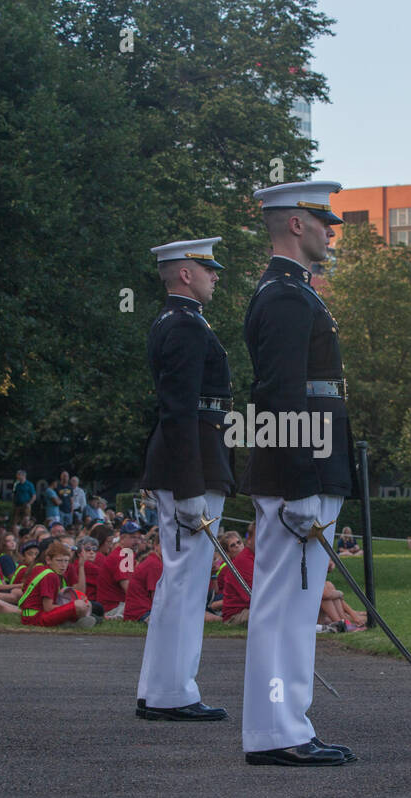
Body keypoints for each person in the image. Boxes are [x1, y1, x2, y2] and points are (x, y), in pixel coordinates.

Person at [240, 181, 358, 766]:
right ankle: (276, 731)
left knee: (295, 603)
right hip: (300, 465)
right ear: (295, 225)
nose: (330, 231)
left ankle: (287, 726)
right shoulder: (286, 296)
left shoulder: (293, 292)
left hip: (306, 460)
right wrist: (300, 482)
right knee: (287, 602)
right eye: (322, 220)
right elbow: (279, 395)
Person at [132, 236, 236, 720]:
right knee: (186, 582)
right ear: (186, 274)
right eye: (209, 268)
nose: (217, 275)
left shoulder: (179, 322)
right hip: (189, 462)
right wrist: (192, 486)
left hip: (190, 456)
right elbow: (179, 411)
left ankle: (159, 688)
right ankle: (172, 692)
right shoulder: (186, 327)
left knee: (180, 581)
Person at [17, 541, 93, 627]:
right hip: (36, 618)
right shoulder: (51, 576)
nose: (63, 565)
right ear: (48, 560)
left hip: (28, 616)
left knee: (85, 604)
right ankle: (73, 622)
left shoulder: (40, 568)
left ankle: (71, 621)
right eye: (59, 561)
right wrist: (70, 606)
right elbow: (48, 607)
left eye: (66, 561)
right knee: (79, 605)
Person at [217, 524, 255, 625]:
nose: (237, 546)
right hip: (237, 611)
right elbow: (251, 596)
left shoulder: (249, 558)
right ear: (227, 553)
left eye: (238, 542)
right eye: (233, 545)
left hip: (242, 606)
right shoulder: (235, 565)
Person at [124, 532, 163, 624]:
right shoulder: (155, 564)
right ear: (156, 546)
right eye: (165, 545)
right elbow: (156, 597)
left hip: (137, 611)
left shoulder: (154, 560)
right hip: (141, 613)